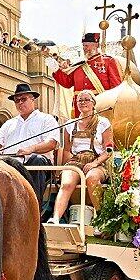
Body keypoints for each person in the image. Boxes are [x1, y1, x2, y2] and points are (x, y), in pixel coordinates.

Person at [0, 84, 59, 211]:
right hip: (9, 165)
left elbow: (52, 143)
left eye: (23, 99)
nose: (19, 103)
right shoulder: (9, 123)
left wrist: (31, 149)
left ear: (32, 99)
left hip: (35, 166)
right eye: (17, 100)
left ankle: (33, 209)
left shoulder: (46, 119)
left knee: (37, 159)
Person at [52, 91, 113, 222]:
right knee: (67, 183)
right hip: (75, 161)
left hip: (96, 161)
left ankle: (102, 219)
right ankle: (56, 218)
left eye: (86, 99)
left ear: (93, 103)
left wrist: (94, 163)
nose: (83, 102)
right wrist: (63, 170)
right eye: (79, 100)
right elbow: (67, 151)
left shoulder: (103, 122)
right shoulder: (70, 124)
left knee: (91, 178)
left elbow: (109, 150)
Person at [53, 33, 123, 94]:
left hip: (100, 105)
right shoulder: (79, 64)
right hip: (79, 106)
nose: (84, 48)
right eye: (83, 45)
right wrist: (56, 69)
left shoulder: (108, 61)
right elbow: (67, 83)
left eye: (86, 45)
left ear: (96, 45)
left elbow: (116, 86)